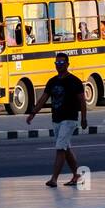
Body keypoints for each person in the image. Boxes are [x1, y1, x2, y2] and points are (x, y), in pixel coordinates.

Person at [27, 53, 88, 187]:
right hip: (57, 118)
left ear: (67, 64)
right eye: (57, 63)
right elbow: (43, 99)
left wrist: (83, 118)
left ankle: (54, 179)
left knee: (60, 148)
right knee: (65, 148)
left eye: (61, 63)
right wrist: (33, 113)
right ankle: (76, 175)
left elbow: (82, 101)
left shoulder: (74, 81)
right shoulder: (52, 81)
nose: (59, 65)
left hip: (70, 118)